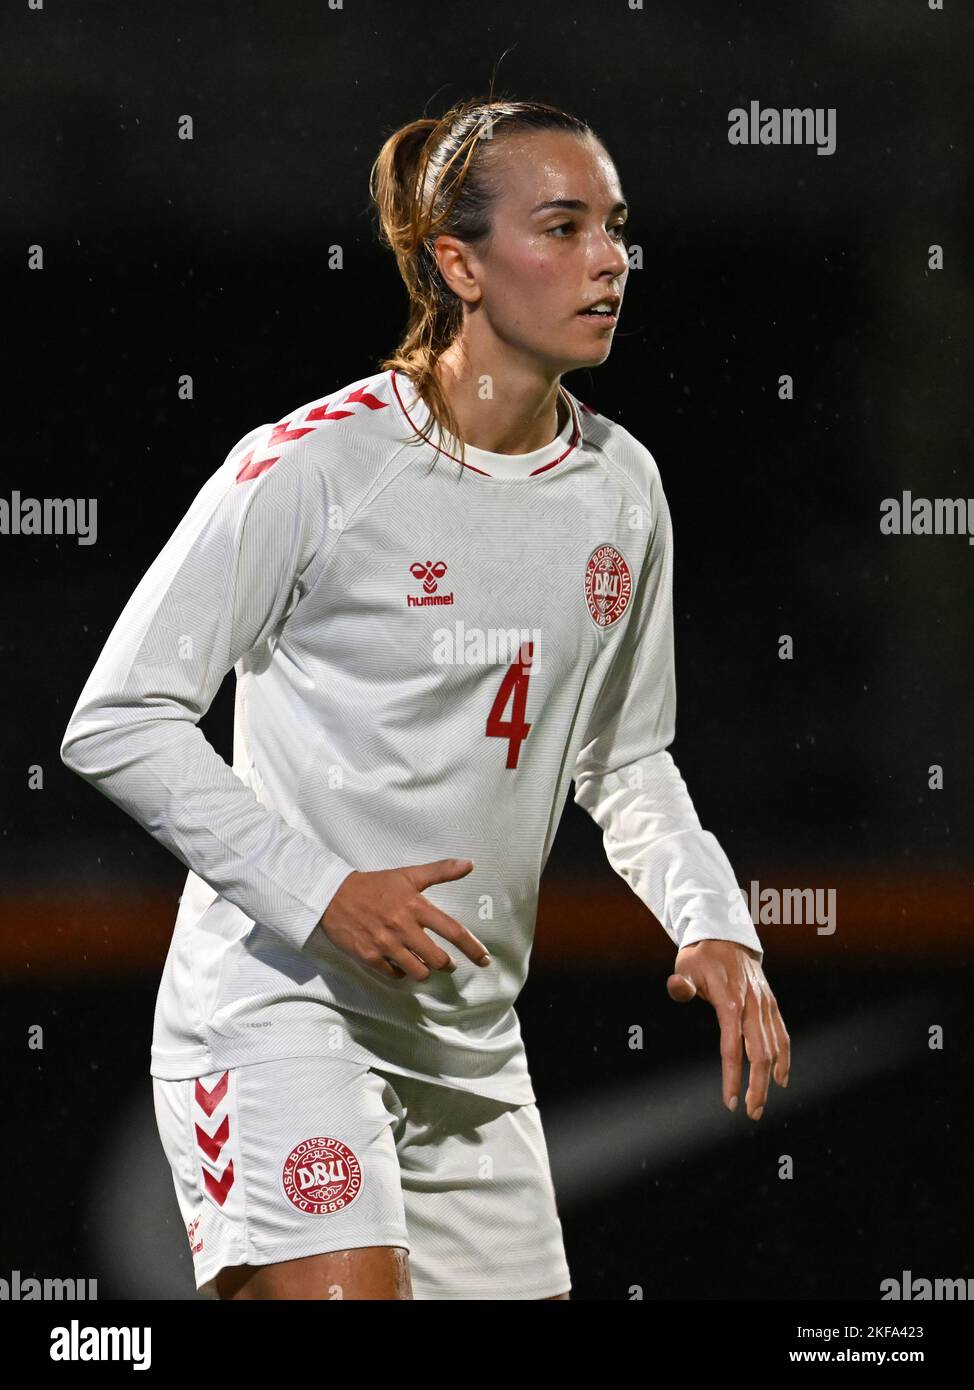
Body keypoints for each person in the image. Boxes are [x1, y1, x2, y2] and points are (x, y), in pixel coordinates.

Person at [60, 95, 790, 1301]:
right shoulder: (314, 465)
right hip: (283, 1005)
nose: (607, 258)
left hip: (468, 1046)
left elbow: (621, 757)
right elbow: (118, 718)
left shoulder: (620, 486)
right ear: (455, 262)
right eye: (560, 227)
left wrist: (709, 920)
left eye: (613, 226)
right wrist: (323, 892)